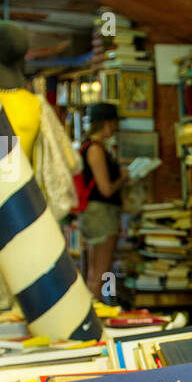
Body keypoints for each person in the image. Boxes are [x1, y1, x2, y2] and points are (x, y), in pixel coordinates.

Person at [78, 102, 124, 300]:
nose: (116, 128)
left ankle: (94, 314)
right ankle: (96, 320)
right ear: (107, 123)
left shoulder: (86, 146)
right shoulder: (95, 149)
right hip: (102, 215)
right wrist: (124, 177)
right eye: (114, 123)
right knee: (100, 272)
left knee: (94, 271)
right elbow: (106, 189)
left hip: (92, 214)